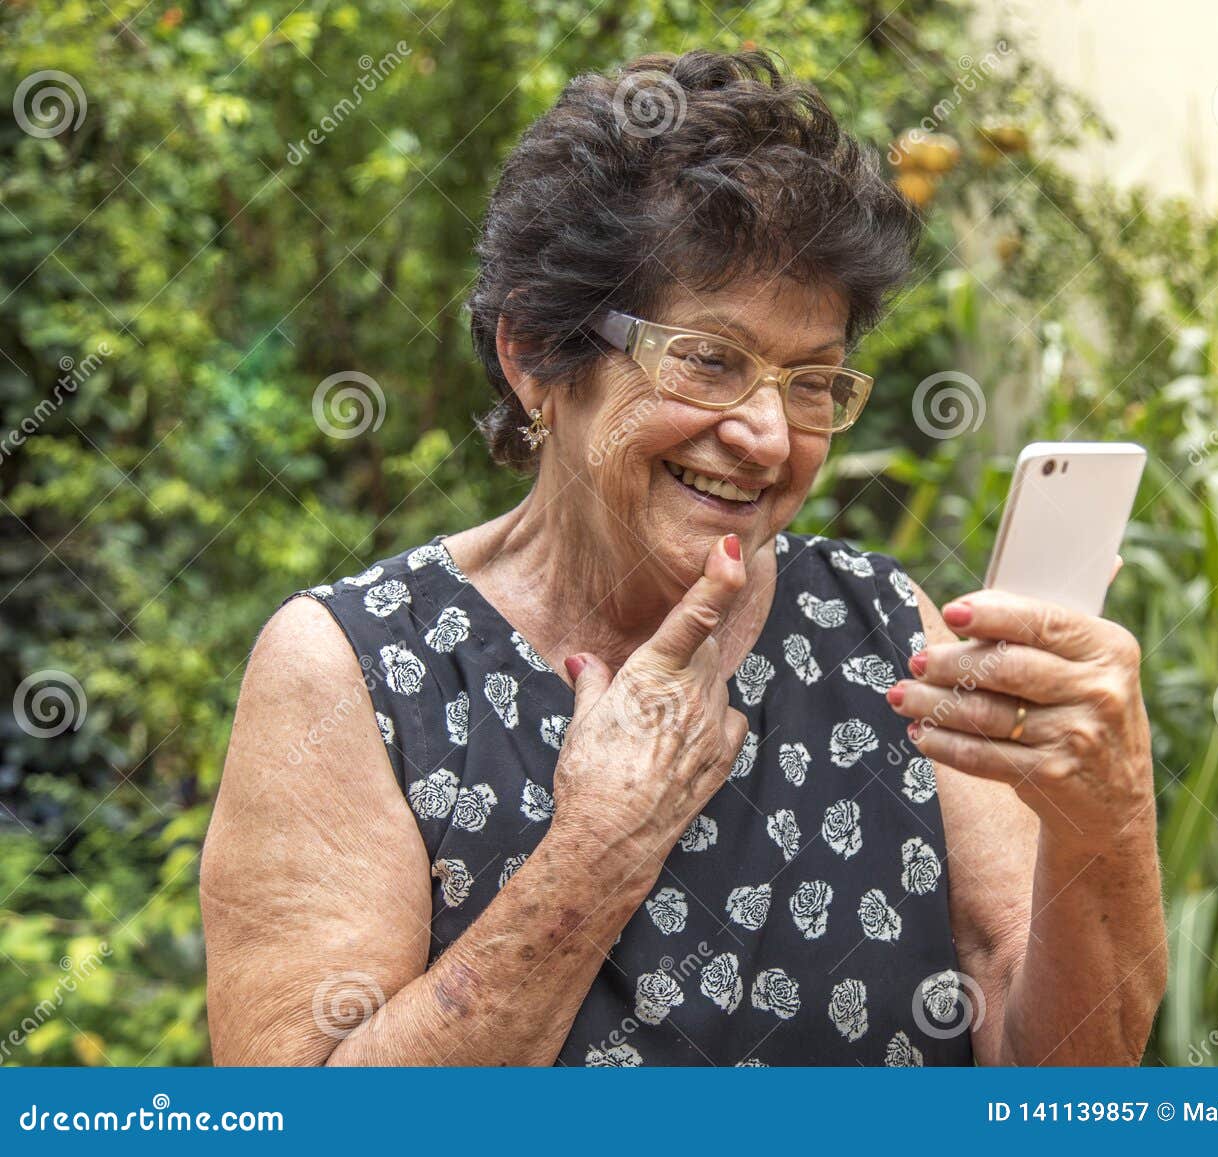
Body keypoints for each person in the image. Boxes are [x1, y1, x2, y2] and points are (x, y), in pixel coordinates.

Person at [200, 49, 1165, 1067]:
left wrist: (1109, 817)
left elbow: (1059, 1080)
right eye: (708, 359)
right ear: (534, 353)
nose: (766, 433)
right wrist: (595, 855)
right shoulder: (352, 668)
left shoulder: (883, 627)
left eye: (811, 381)